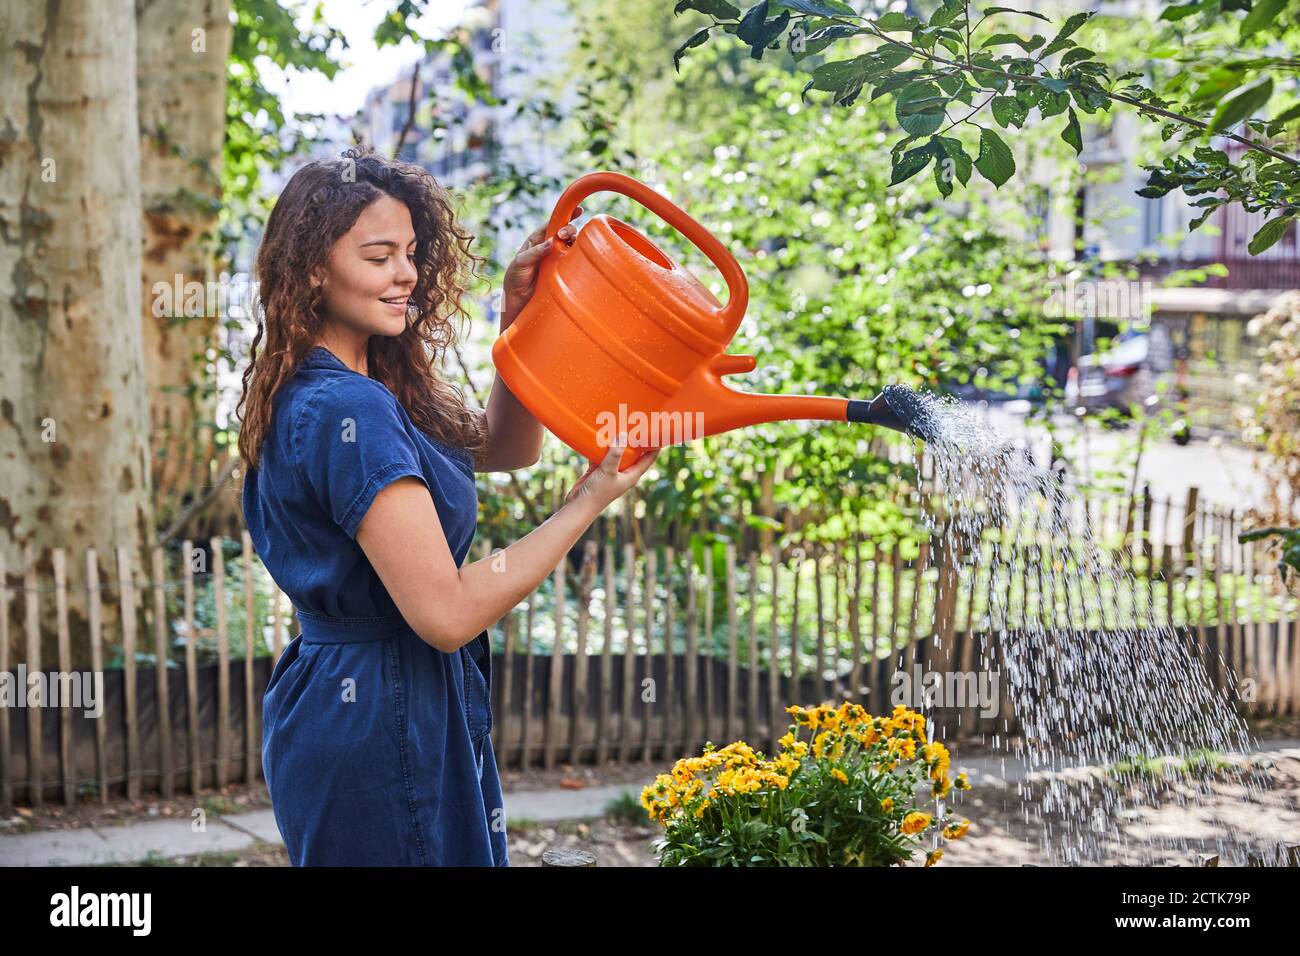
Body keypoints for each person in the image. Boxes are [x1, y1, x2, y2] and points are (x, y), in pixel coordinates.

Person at [237, 146, 659, 866]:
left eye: (409, 252)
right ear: (311, 268)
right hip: (381, 714)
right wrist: (589, 499)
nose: (405, 273)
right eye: (378, 257)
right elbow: (447, 613)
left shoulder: (350, 386)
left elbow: (502, 445)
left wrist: (520, 320)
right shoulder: (351, 409)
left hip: (351, 699)